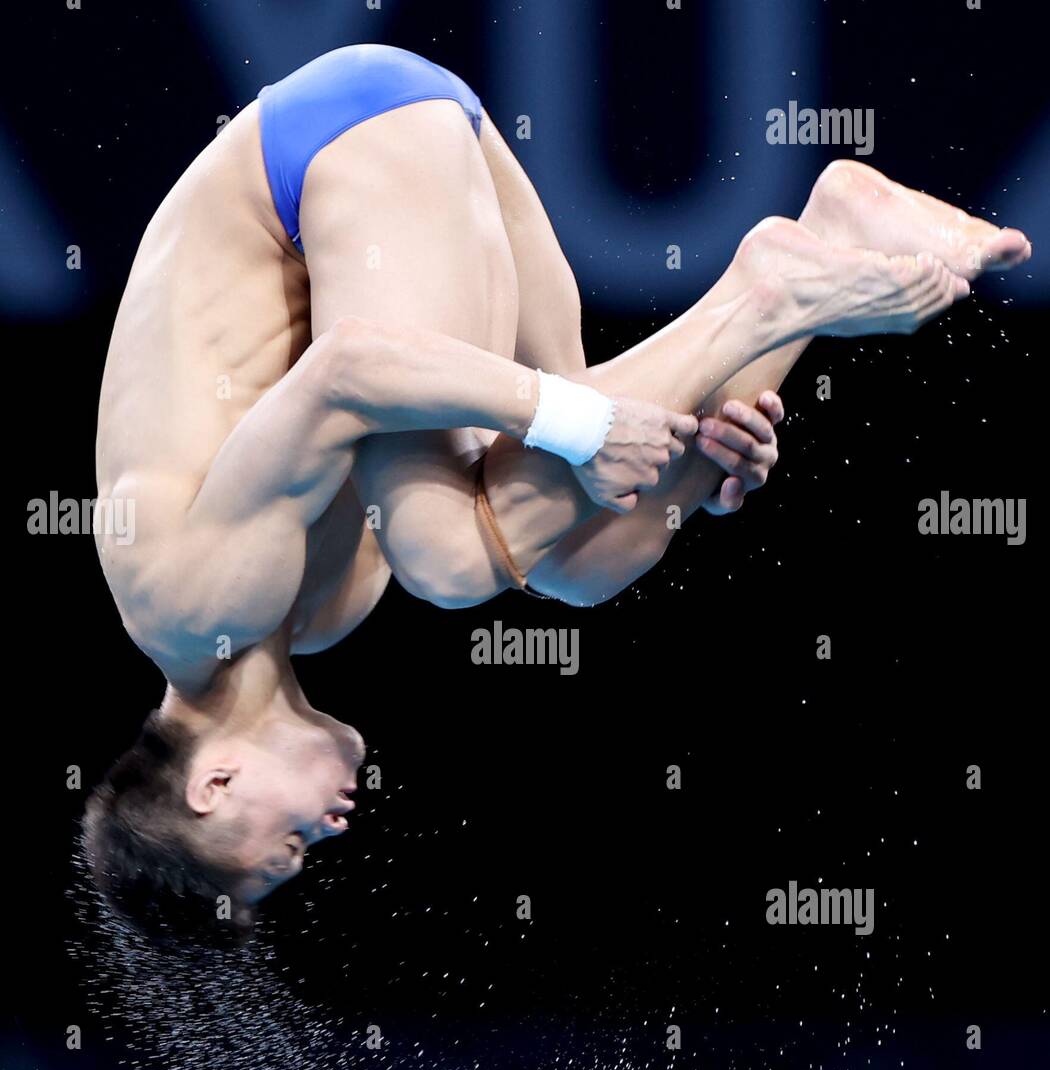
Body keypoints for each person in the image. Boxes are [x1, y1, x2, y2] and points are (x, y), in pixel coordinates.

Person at [85, 44, 1030, 922]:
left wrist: (586, 423)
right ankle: (822, 250)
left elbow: (351, 367)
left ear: (215, 787)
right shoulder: (313, 617)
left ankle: (769, 295)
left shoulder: (185, 604)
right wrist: (696, 450)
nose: (331, 831)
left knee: (450, 558)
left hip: (328, 149)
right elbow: (480, 455)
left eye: (288, 844)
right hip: (410, 164)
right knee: (587, 558)